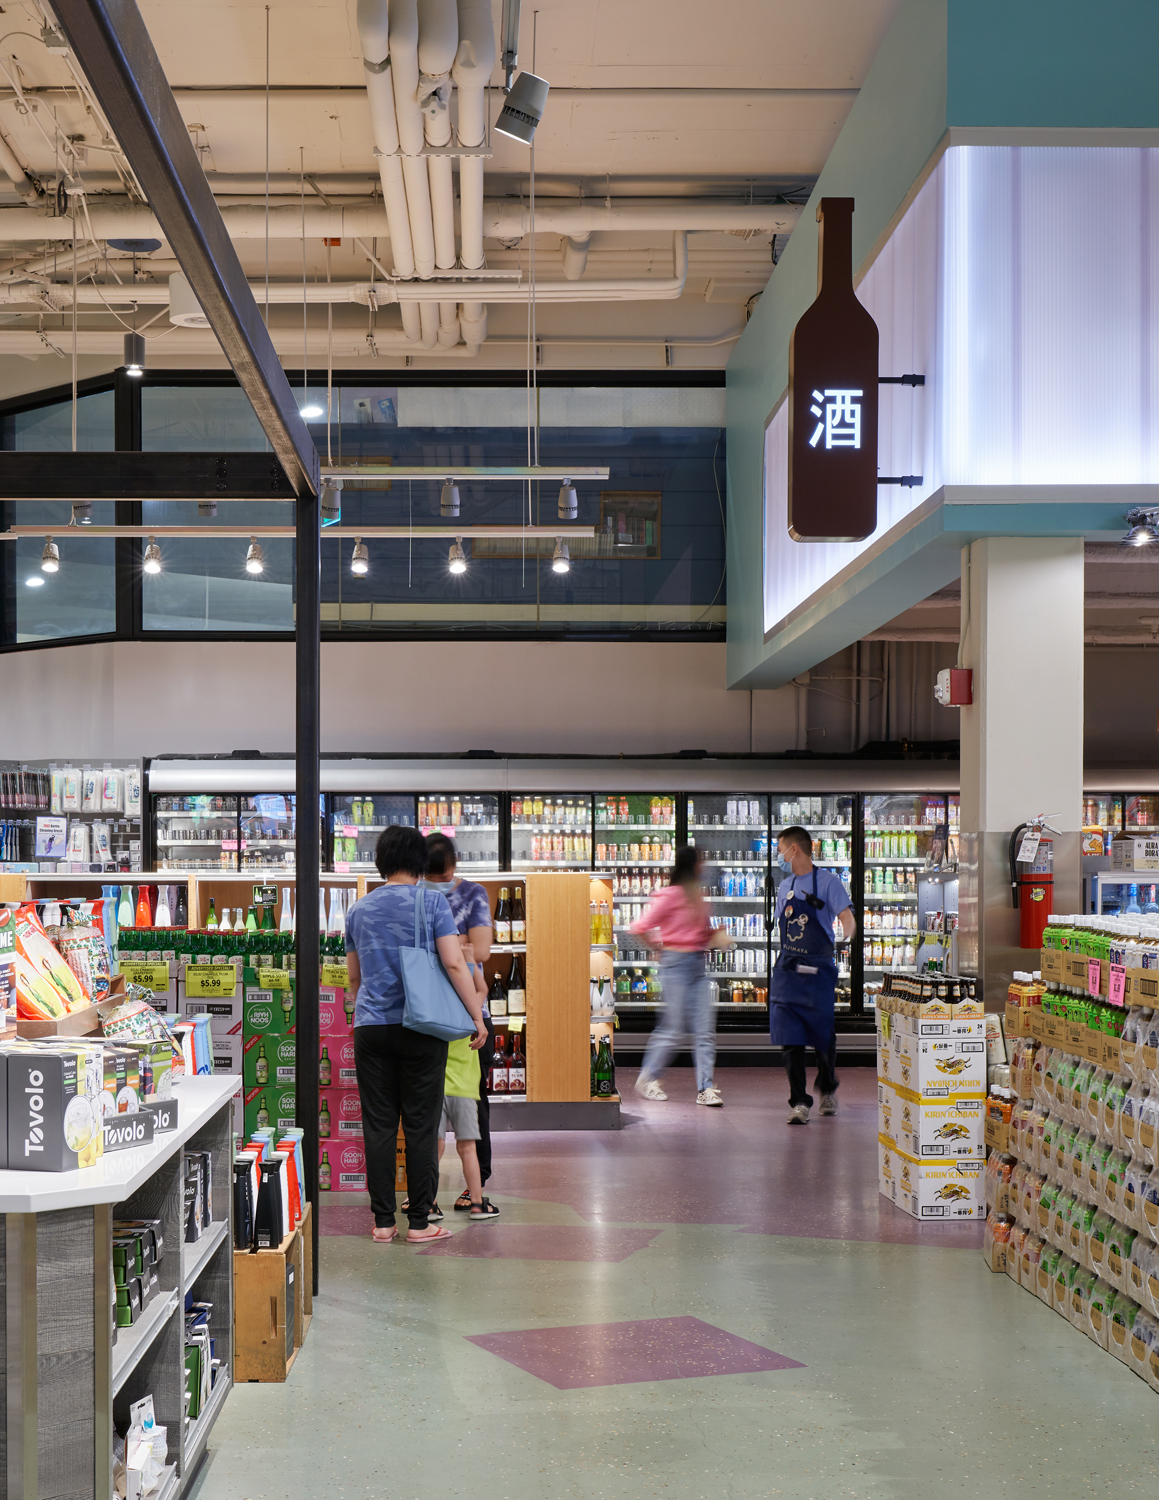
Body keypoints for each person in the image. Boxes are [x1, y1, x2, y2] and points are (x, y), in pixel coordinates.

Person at [345, 825, 487, 1245]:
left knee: (379, 1125)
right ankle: (420, 1223)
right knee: (422, 1125)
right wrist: (476, 1017)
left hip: (371, 1027)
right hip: (422, 1026)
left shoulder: (358, 910)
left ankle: (383, 1222)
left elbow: (354, 978)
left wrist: (368, 1010)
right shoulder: (432, 902)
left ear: (381, 862)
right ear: (420, 862)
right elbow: (455, 964)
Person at [421, 832, 498, 1212]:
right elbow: (466, 950)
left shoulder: (473, 893)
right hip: (433, 1016)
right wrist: (458, 942)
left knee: (472, 1110)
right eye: (434, 877)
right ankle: (430, 1193)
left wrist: (444, 947)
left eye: (445, 876)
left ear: (455, 866)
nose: (441, 883)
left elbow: (480, 951)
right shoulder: (415, 893)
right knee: (431, 1114)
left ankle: (473, 1187)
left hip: (467, 1018)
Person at [629, 845, 734, 1106]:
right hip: (675, 965)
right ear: (691, 865)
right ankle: (647, 1078)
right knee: (673, 1029)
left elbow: (700, 933)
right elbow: (640, 927)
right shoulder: (669, 895)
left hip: (697, 965)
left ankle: (705, 1088)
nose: (703, 866)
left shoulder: (699, 895)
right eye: (700, 862)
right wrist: (658, 949)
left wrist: (715, 935)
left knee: (705, 1031)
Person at [769, 825, 856, 1125]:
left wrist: (847, 934)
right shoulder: (785, 886)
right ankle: (799, 1102)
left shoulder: (829, 882)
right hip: (789, 969)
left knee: (823, 1035)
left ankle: (828, 1089)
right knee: (790, 1038)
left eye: (780, 850)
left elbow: (847, 917)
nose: (778, 856)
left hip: (817, 970)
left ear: (794, 850)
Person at [435, 1033, 500, 1220]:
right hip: (465, 1088)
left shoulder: (432, 1023)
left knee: (434, 1146)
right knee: (468, 1148)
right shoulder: (472, 1024)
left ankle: (428, 1204)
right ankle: (477, 1204)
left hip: (435, 1087)